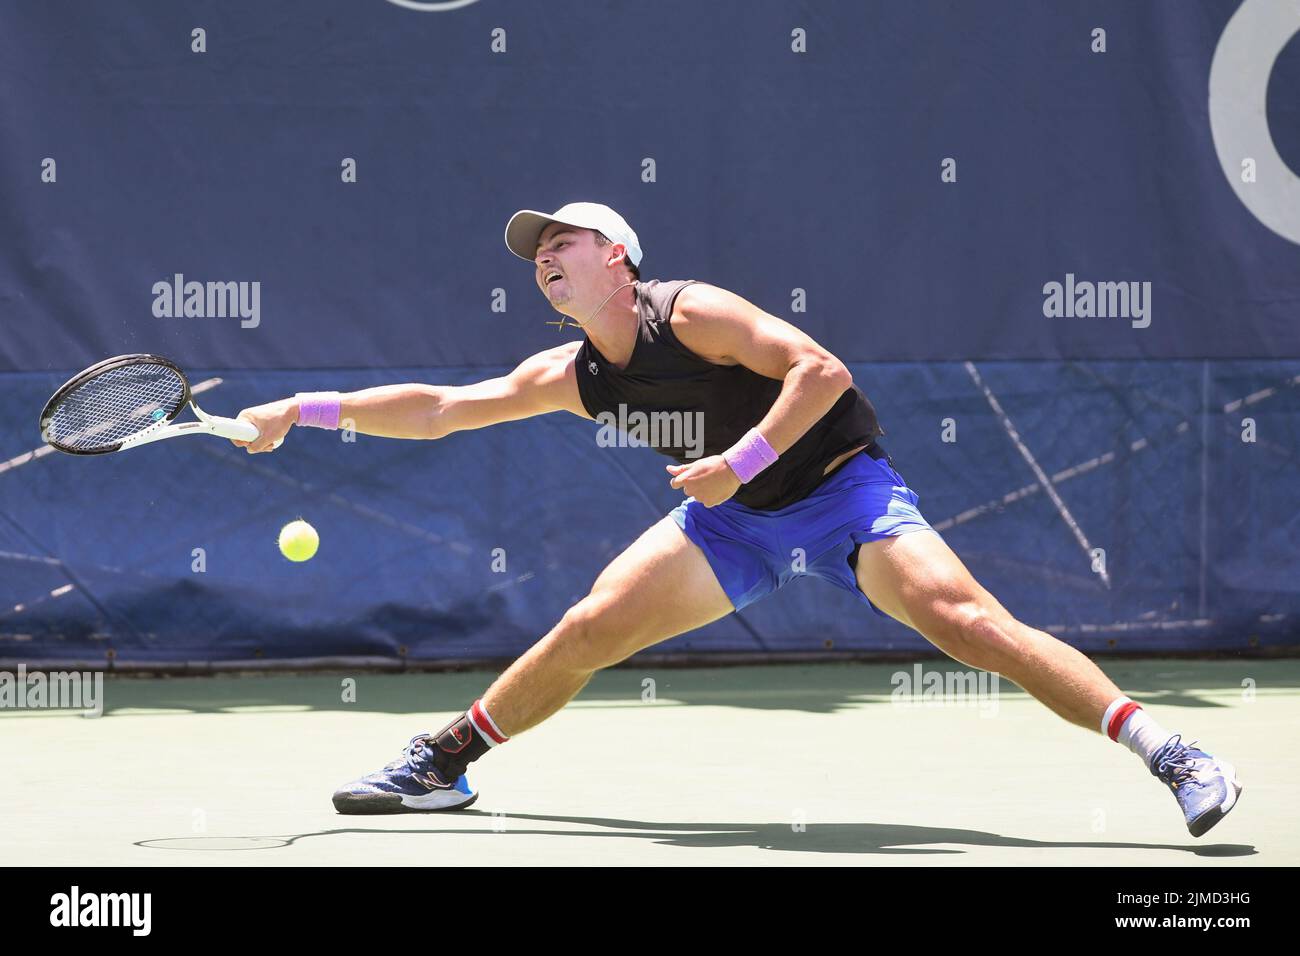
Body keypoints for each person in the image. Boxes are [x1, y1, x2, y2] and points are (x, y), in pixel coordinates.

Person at [232, 202, 1242, 836]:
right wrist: (302, 410)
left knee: (967, 622)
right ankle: (441, 764)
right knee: (590, 625)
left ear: (619, 260)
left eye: (564, 242)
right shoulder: (572, 373)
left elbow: (822, 370)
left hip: (843, 493)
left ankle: (1172, 752)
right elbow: (444, 408)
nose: (544, 256)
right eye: (537, 253)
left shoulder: (695, 312)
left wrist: (738, 458)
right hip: (733, 526)